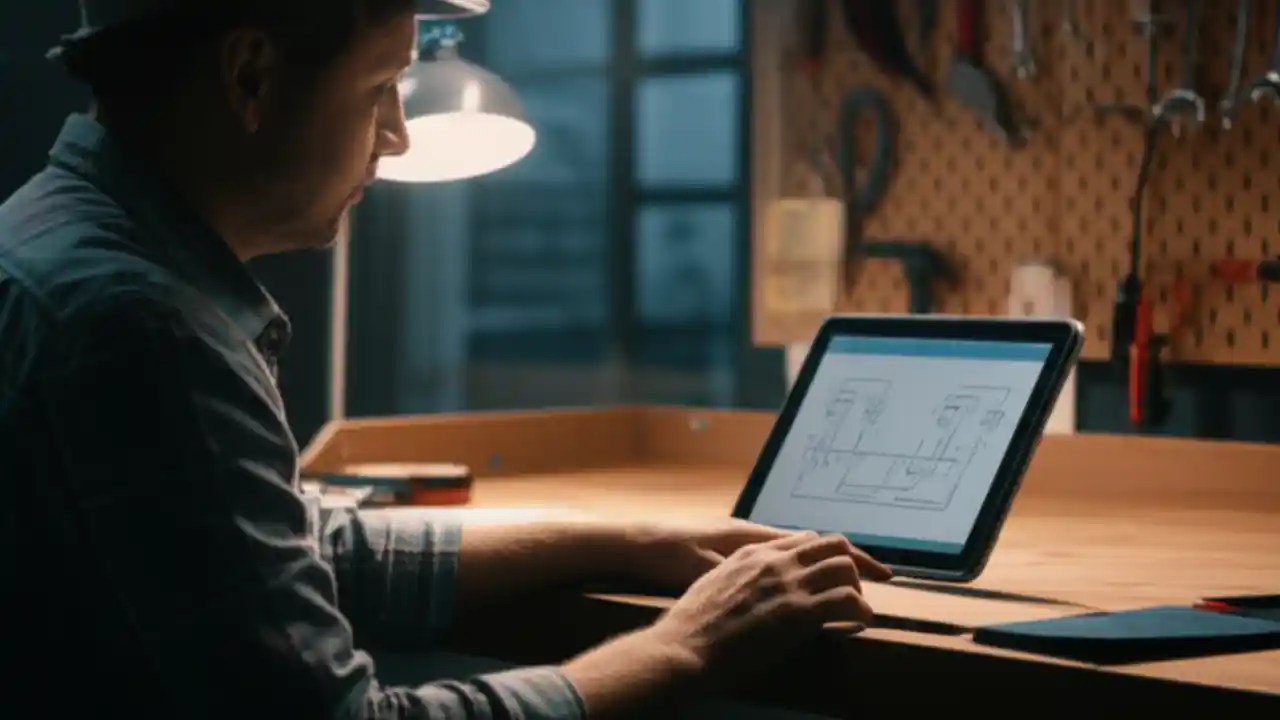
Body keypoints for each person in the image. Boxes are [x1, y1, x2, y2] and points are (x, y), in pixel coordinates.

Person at [0, 1, 890, 718]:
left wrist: (627, 542)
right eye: (383, 84)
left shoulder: (53, 239)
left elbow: (301, 549)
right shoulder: (142, 331)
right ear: (250, 76)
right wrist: (689, 646)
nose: (397, 134)